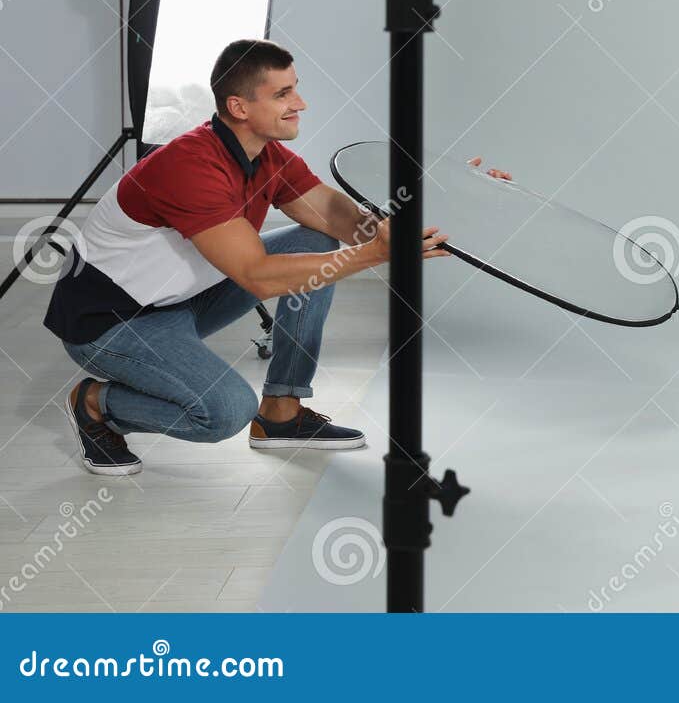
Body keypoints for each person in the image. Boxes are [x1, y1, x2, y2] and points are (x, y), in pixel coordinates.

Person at [44, 38, 504, 476]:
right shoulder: (189, 166)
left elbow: (347, 223)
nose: (300, 103)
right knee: (225, 411)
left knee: (315, 241)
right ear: (239, 107)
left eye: (295, 89)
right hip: (112, 324)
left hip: (183, 301)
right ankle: (95, 403)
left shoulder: (269, 158)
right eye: (283, 94)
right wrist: (377, 254)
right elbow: (258, 276)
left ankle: (282, 411)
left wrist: (451, 198)